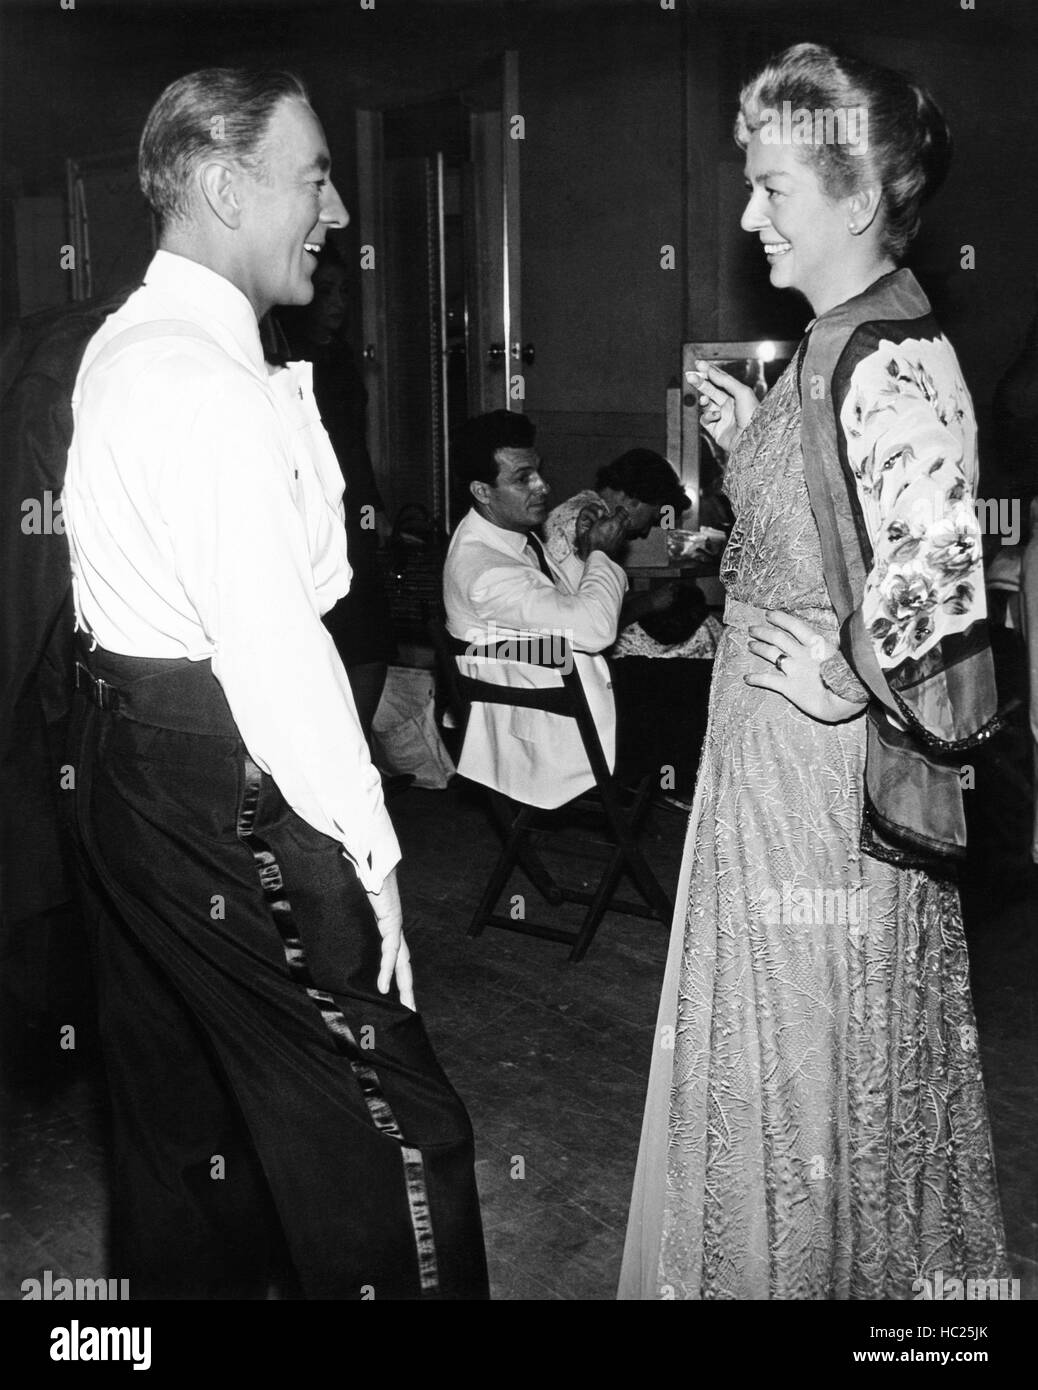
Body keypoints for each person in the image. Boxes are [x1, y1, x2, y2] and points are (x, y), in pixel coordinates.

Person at [62, 67, 488, 1300]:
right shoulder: (197, 382)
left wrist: (284, 379)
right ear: (219, 184)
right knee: (401, 1136)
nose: (341, 210)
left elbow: (314, 562)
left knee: (189, 1136)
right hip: (227, 773)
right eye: (314, 177)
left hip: (137, 764)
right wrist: (372, 848)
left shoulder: (151, 347)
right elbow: (276, 643)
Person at [619, 43, 1008, 1300]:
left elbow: (943, 617)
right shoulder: (832, 341)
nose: (746, 215)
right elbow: (827, 536)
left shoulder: (887, 357)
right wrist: (752, 453)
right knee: (783, 1060)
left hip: (813, 784)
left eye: (773, 189)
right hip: (761, 764)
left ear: (855, 198)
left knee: (801, 1066)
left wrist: (849, 671)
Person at [443, 409, 628, 808]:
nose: (542, 486)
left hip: (554, 691)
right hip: (551, 732)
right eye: (522, 478)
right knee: (695, 706)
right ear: (481, 490)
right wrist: (601, 556)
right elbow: (596, 630)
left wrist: (581, 555)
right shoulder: (485, 571)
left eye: (538, 471)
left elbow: (560, 607)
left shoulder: (502, 534)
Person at [543, 450, 721, 803]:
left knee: (692, 648)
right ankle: (667, 781)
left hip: (567, 651)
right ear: (631, 498)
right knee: (698, 669)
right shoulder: (587, 519)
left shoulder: (582, 510)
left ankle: (663, 779)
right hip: (572, 665)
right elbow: (589, 626)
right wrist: (649, 604)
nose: (644, 530)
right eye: (651, 515)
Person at [274, 242, 396, 743]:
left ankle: (357, 747)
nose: (339, 302)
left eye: (345, 291)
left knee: (369, 634)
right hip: (309, 516)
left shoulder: (340, 359)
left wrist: (375, 510)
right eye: (326, 291)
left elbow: (354, 448)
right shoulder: (281, 362)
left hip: (353, 513)